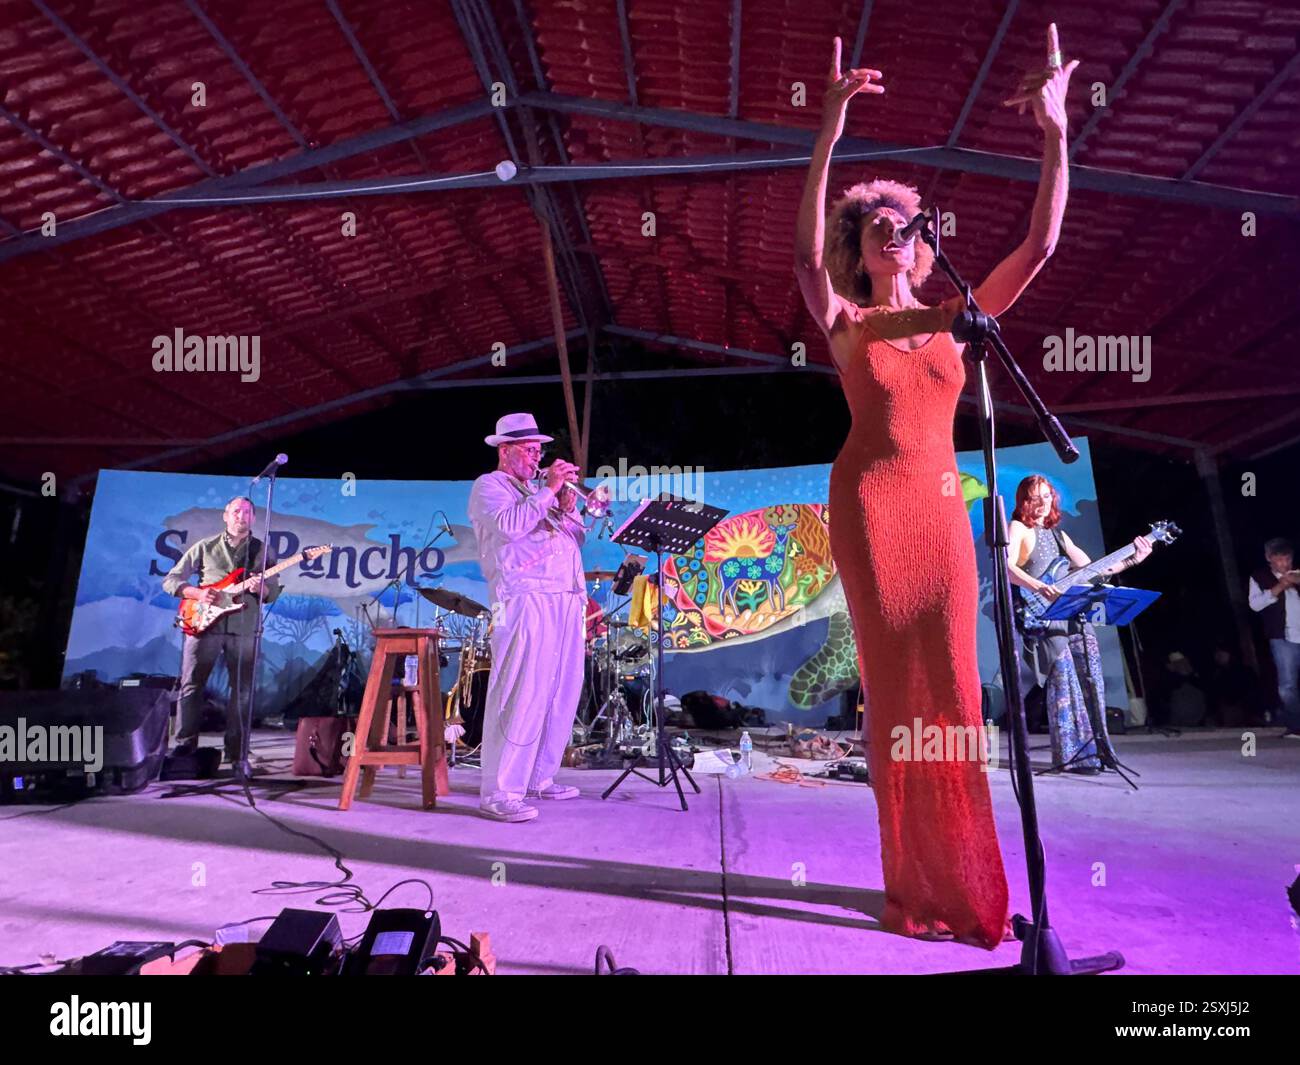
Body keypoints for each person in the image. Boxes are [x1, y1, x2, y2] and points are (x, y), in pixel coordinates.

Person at [793, 24, 1078, 949]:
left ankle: (962, 872)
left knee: (955, 689)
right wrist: (828, 136)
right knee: (894, 691)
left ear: (920, 237)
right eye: (869, 219)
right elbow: (801, 263)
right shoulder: (847, 322)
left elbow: (1037, 246)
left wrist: (1055, 132)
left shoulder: (960, 318)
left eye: (899, 216)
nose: (887, 224)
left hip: (943, 509)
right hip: (872, 508)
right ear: (859, 243)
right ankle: (910, 879)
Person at [468, 413, 588, 822]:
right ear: (505, 451)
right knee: (521, 690)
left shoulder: (538, 493)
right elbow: (510, 527)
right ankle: (499, 792)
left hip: (564, 597)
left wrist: (566, 505)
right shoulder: (489, 487)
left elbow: (578, 537)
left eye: (540, 450)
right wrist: (549, 490)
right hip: (522, 597)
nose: (538, 457)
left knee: (560, 690)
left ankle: (539, 776)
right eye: (530, 450)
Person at [1007, 475, 1151, 770]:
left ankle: (1100, 750)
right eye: (1034, 498)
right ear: (1023, 501)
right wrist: (1037, 586)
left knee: (1092, 679)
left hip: (1072, 614)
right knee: (1065, 683)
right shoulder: (1018, 528)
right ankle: (1073, 756)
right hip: (1043, 619)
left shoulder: (1059, 536)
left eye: (1046, 497)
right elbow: (1007, 566)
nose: (1041, 504)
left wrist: (1134, 558)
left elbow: (1095, 569)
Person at [163, 496, 281, 770]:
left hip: (244, 628)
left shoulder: (263, 552)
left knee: (242, 691)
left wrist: (259, 588)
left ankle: (237, 752)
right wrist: (197, 593)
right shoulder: (205, 547)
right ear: (225, 516)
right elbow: (171, 581)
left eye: (248, 512)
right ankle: (184, 747)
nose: (242, 516)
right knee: (192, 685)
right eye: (237, 511)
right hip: (204, 624)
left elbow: (272, 592)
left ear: (253, 518)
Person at [1247, 537, 1300, 739]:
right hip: (1282, 637)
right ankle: (1296, 726)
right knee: (1287, 686)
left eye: (1287, 559)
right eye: (1278, 560)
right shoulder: (1260, 577)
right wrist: (1279, 587)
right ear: (1269, 559)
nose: (1284, 564)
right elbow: (1255, 605)